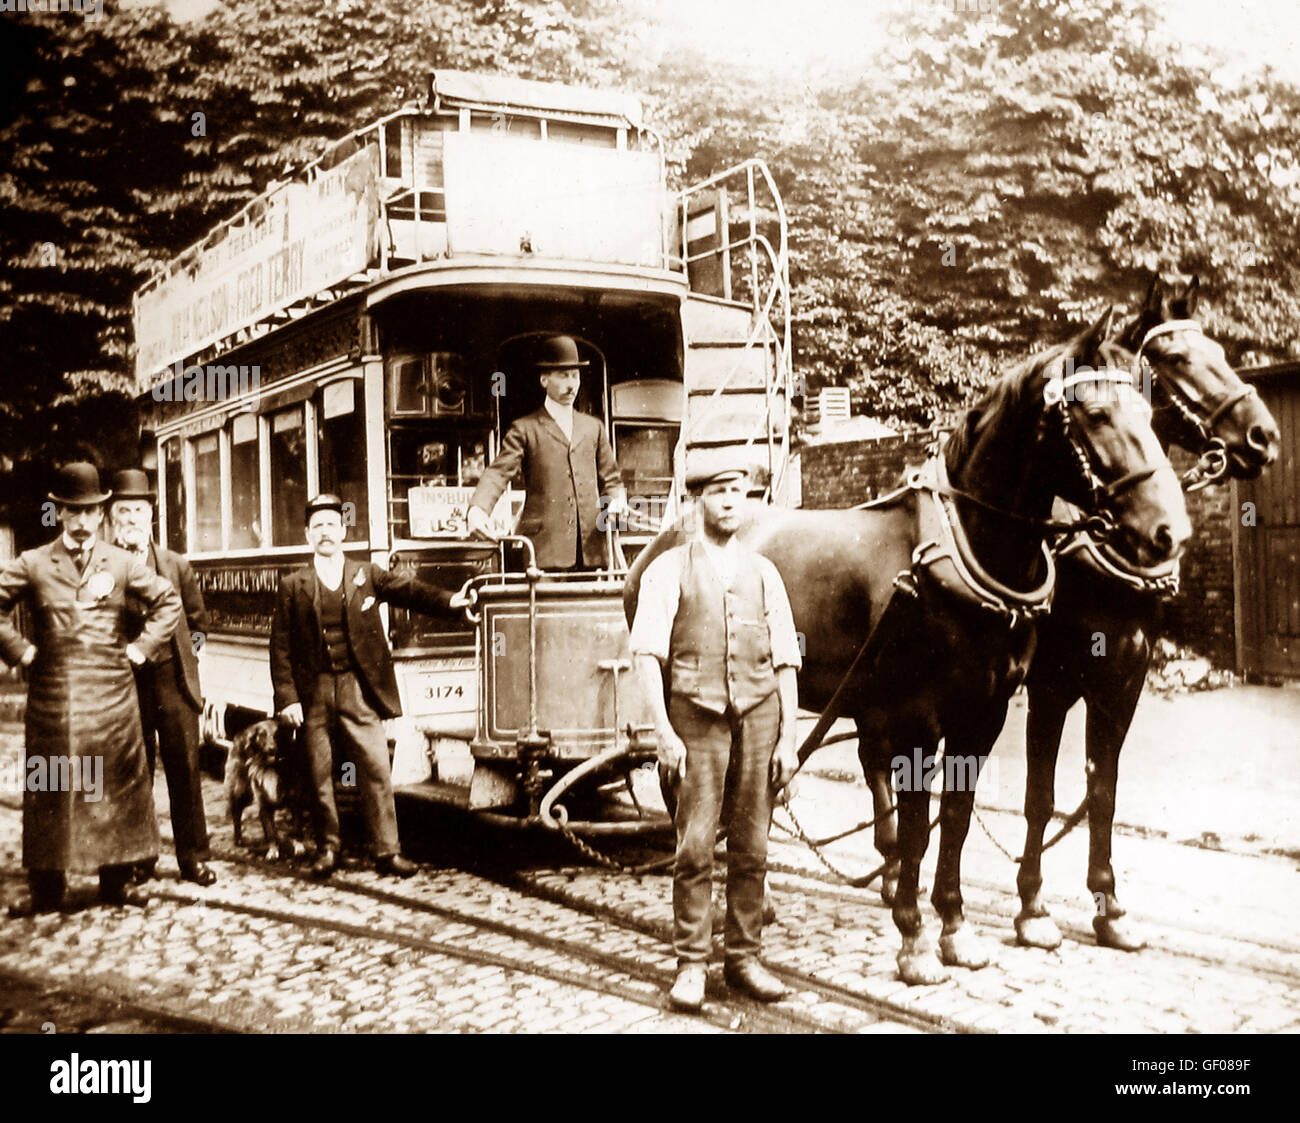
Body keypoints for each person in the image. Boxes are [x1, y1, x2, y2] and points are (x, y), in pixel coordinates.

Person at [630, 455, 801, 1012]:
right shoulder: (667, 570)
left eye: (740, 491)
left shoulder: (765, 573)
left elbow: (785, 664)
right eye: (719, 491)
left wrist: (790, 739)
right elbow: (647, 658)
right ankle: (691, 965)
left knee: (753, 847)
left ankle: (745, 958)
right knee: (696, 845)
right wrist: (664, 733)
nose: (731, 501)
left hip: (759, 720)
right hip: (695, 721)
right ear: (696, 499)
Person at [0, 462, 182, 914]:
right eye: (72, 512)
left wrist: (141, 649)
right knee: (51, 788)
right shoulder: (34, 562)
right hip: (54, 696)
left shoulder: (120, 563)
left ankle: (116, 882)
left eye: (90, 513)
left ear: (102, 515)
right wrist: (20, 652)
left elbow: (168, 600)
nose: (82, 522)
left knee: (114, 788)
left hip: (112, 699)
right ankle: (46, 887)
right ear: (58, 513)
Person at [270, 494, 467, 879]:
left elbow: (409, 590)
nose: (325, 532)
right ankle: (329, 848)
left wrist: (452, 600)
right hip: (314, 693)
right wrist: (287, 698)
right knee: (321, 772)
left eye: (332, 525)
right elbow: (279, 647)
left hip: (357, 688)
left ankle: (387, 851)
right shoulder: (293, 585)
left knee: (376, 768)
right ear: (308, 535)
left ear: (343, 531)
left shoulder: (366, 574)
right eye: (318, 527)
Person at [108, 468, 217, 888]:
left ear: (151, 516)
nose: (132, 519)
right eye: (123, 511)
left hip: (173, 679)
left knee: (186, 768)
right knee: (135, 771)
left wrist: (195, 654)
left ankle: (193, 859)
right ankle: (140, 858)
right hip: (125, 681)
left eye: (139, 510)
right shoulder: (103, 564)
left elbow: (198, 619)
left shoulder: (176, 564)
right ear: (111, 518)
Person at [467, 334, 627, 569]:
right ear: (544, 380)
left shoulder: (594, 428)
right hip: (543, 552)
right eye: (563, 376)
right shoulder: (525, 429)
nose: (571, 384)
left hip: (593, 551)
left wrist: (616, 501)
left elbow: (612, 479)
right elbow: (499, 472)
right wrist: (478, 510)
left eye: (575, 376)